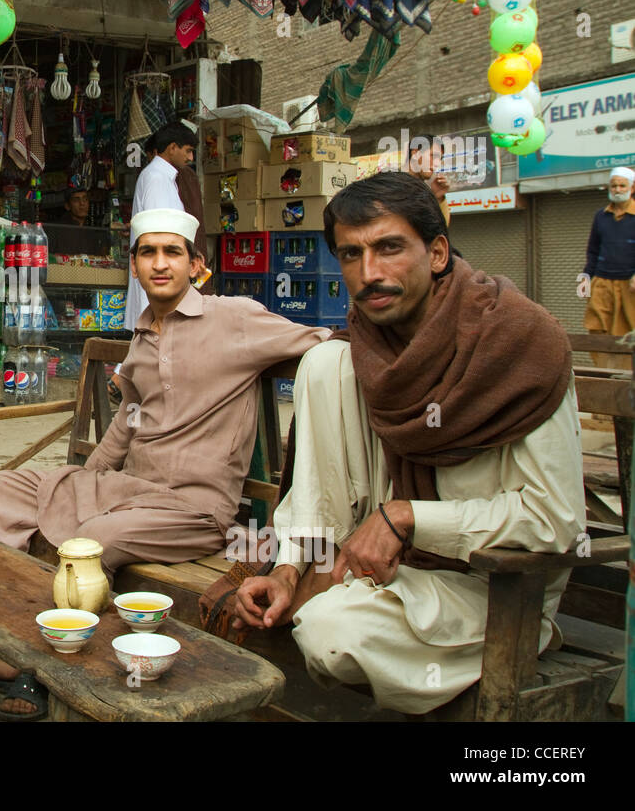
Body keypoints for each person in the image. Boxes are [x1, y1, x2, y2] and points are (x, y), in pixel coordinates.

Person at [232, 172, 583, 714]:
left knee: (330, 634)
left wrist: (408, 517)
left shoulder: (522, 345)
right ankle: (320, 583)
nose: (369, 273)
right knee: (323, 362)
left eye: (389, 248)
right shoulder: (360, 350)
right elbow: (319, 491)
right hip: (383, 569)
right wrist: (286, 566)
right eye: (351, 255)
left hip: (495, 589)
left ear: (437, 252)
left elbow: (555, 522)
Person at [0, 208, 329, 718]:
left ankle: (45, 668)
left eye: (172, 252)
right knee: (0, 489)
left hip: (191, 510)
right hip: (128, 490)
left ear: (195, 264)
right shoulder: (142, 334)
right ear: (134, 265)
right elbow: (127, 422)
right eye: (148, 253)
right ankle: (5, 632)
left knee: (92, 540)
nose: (160, 264)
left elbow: (326, 344)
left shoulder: (236, 318)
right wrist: (86, 478)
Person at [124, 121, 196, 329]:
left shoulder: (162, 176)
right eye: (188, 151)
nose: (191, 158)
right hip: (160, 270)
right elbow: (160, 233)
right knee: (156, 332)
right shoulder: (156, 178)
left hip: (163, 270)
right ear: (172, 147)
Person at [580, 166, 635, 369]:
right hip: (602, 283)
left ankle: (627, 378)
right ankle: (605, 373)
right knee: (597, 328)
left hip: (630, 287)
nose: (618, 189)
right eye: (614, 185)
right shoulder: (600, 216)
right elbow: (592, 251)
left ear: (632, 188)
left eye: (622, 185)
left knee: (629, 332)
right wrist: (585, 281)